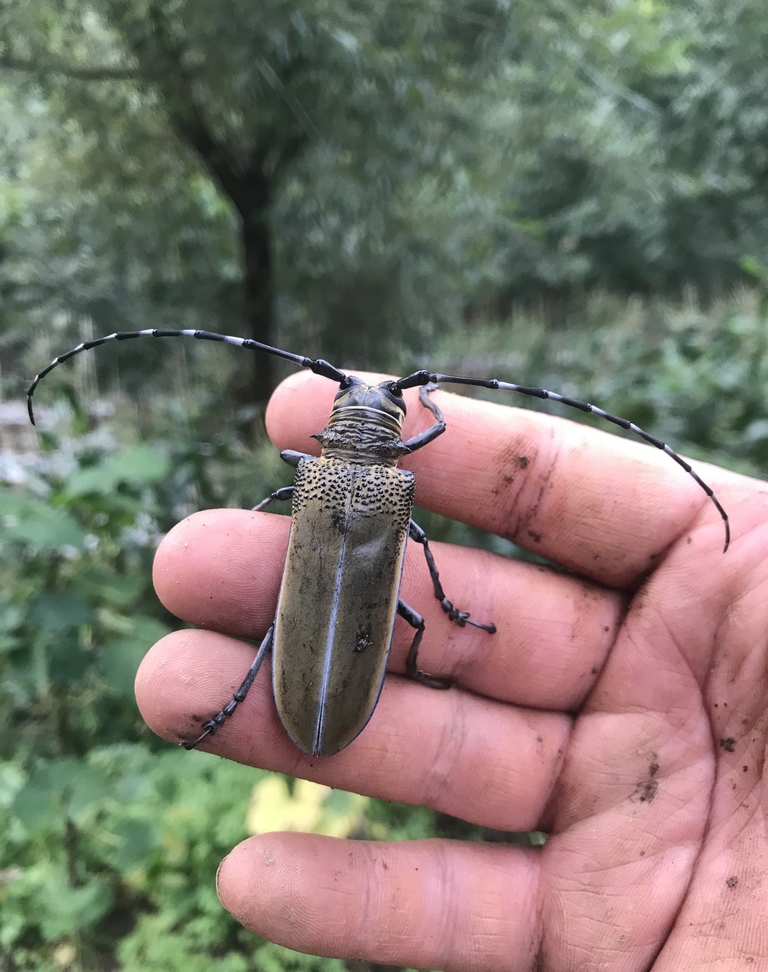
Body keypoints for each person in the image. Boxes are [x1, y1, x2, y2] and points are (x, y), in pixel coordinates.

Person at [136, 369, 766, 970]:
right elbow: (429, 487)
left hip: (329, 598)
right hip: (362, 624)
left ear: (332, 426)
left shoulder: (307, 478)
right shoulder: (392, 490)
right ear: (394, 430)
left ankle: (237, 700)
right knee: (359, 616)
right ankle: (411, 632)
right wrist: (432, 401)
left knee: (283, 623)